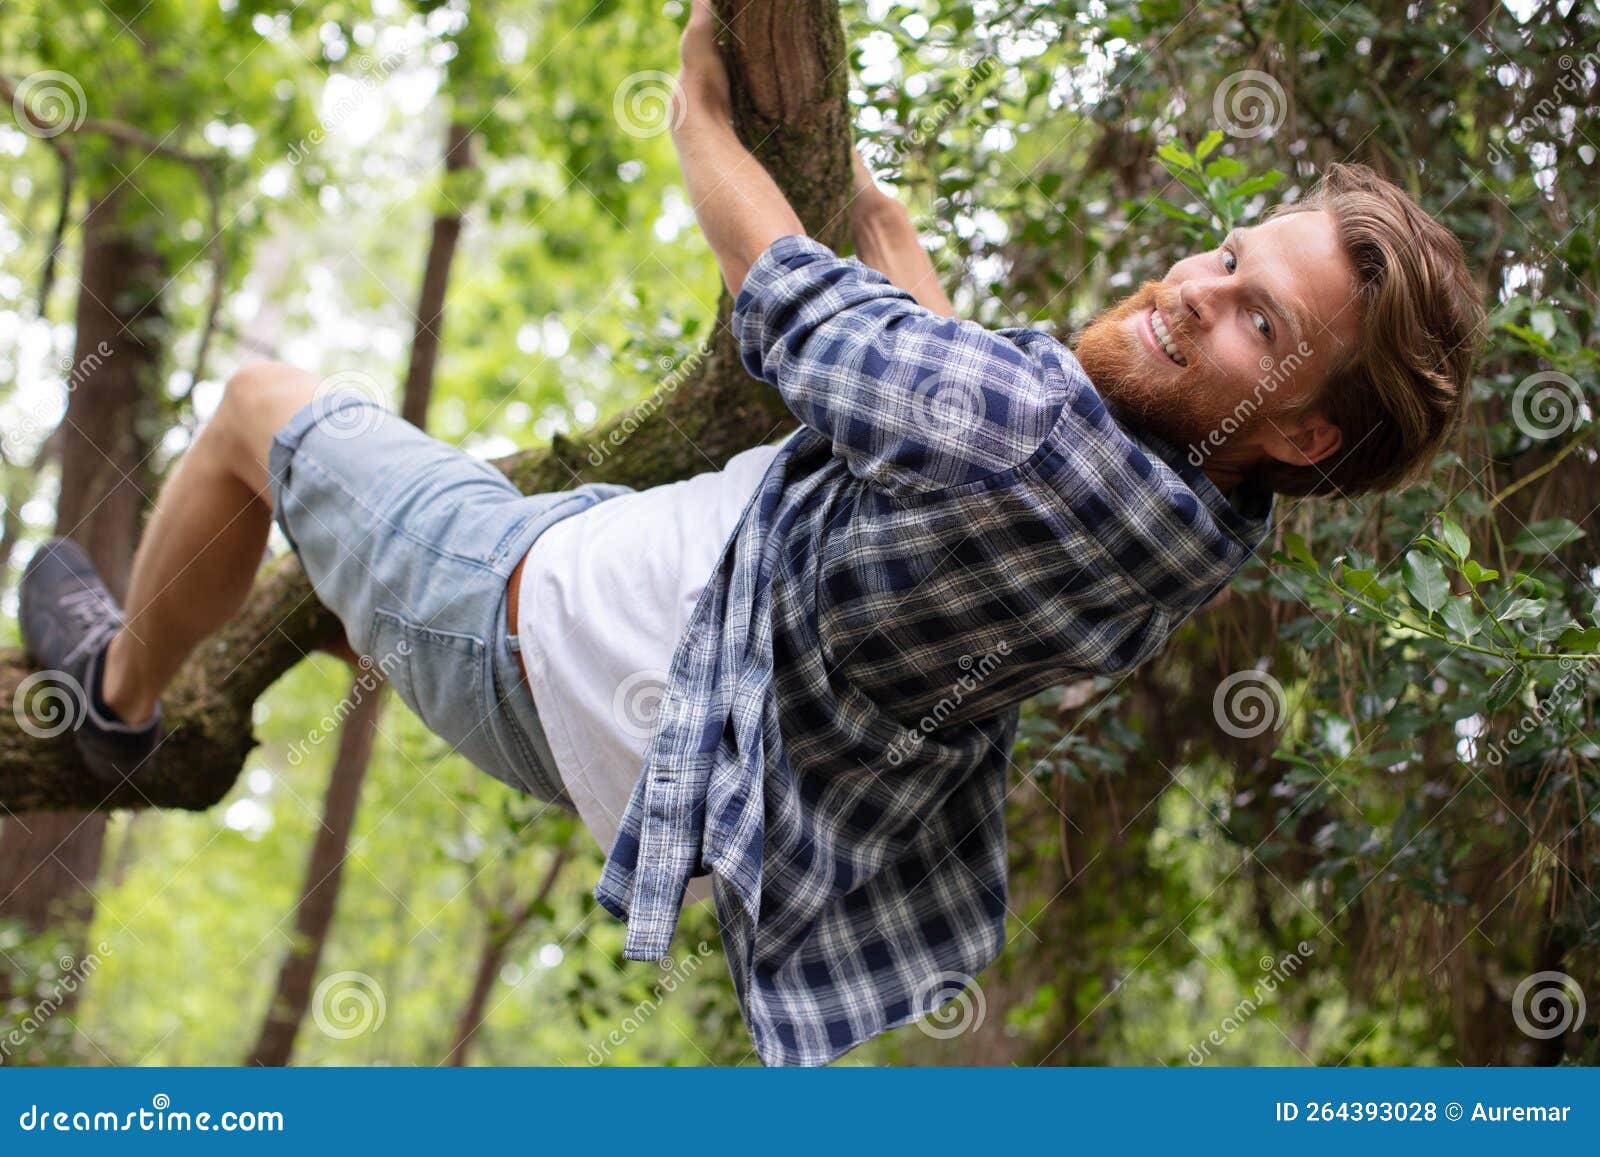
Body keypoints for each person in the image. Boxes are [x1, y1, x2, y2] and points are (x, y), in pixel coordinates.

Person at [19, 0, 1484, 1065]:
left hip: (530, 624)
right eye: (1227, 254)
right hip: (661, 688)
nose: (1193, 290)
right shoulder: (1197, 529)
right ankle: (352, 616)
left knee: (257, 409)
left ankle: (122, 704)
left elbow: (798, 304)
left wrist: (701, 118)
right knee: (401, 525)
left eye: (1258, 323)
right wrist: (886, 229)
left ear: (1305, 430)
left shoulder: (1024, 435)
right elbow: (964, 421)